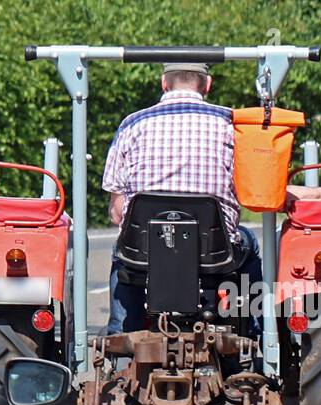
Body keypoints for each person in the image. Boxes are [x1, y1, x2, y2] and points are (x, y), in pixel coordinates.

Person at [102, 62, 265, 335]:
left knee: (122, 253)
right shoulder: (232, 126)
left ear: (164, 82)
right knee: (251, 245)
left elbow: (118, 213)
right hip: (215, 253)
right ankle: (253, 335)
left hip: (145, 253)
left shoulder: (133, 124)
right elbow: (252, 193)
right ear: (207, 84)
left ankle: (121, 337)